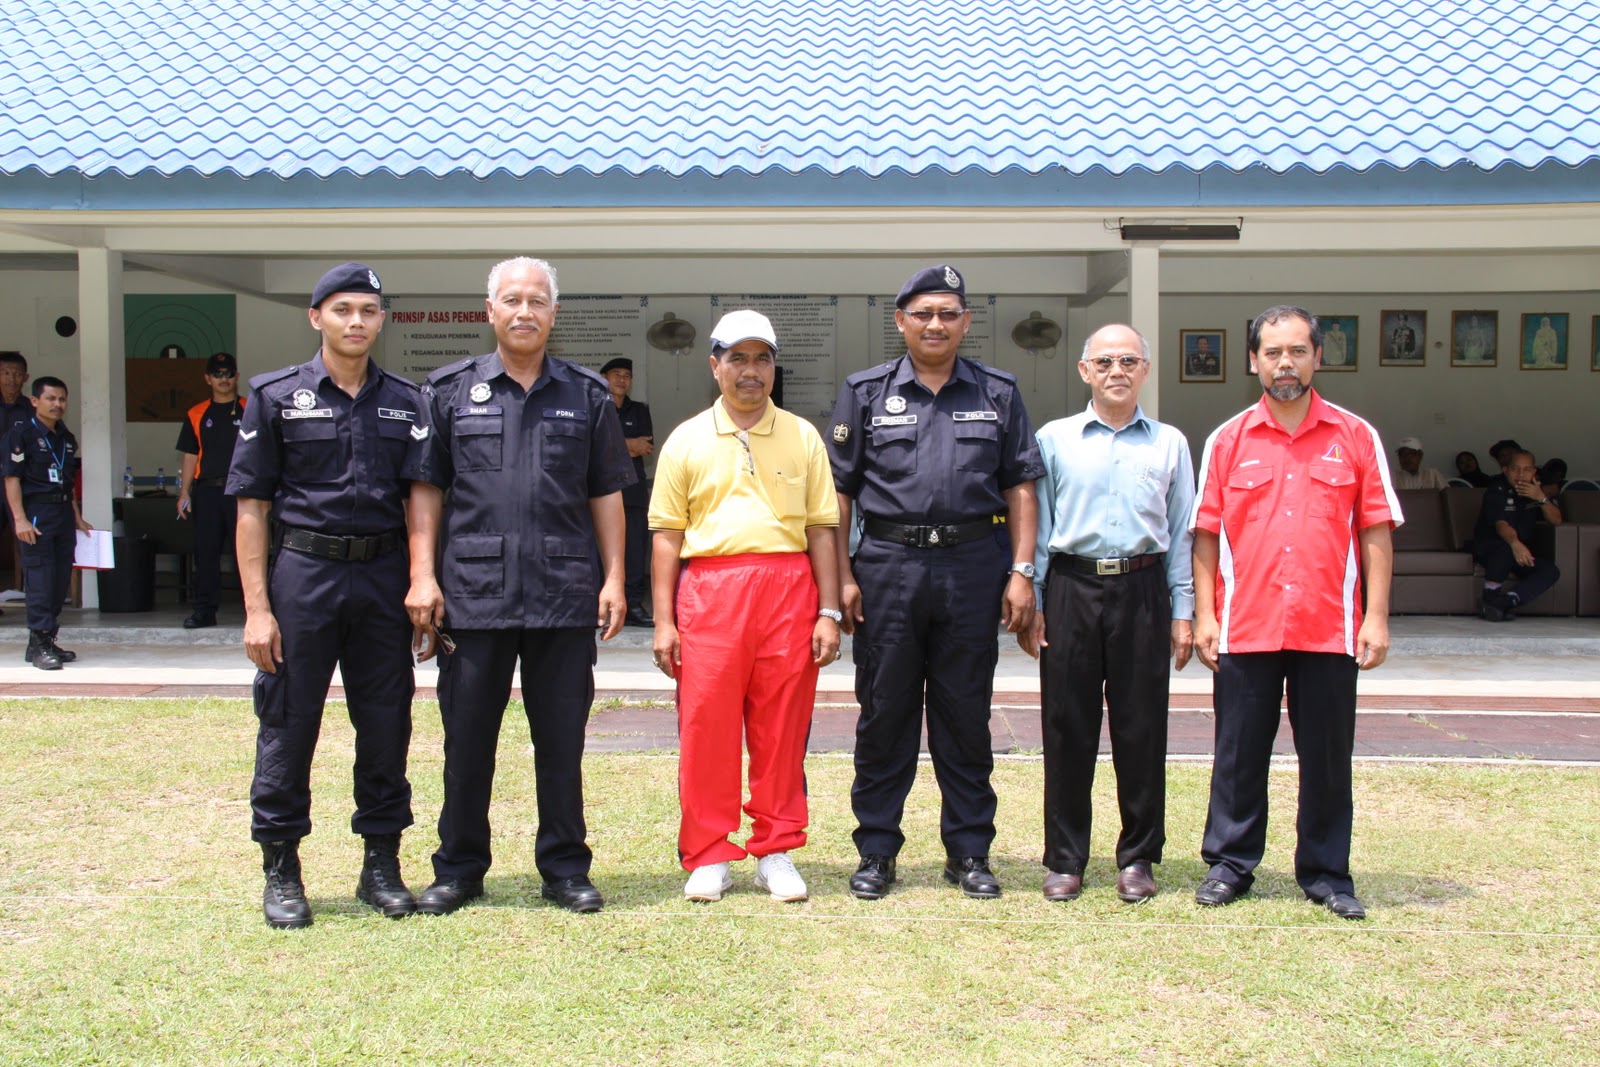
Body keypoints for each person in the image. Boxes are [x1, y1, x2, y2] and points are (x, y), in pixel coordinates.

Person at [404, 256, 632, 916]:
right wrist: (422, 574)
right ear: (490, 310)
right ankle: (459, 866)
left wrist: (614, 575)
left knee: (561, 739)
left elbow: (607, 492)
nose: (524, 310)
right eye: (512, 299)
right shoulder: (449, 390)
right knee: (467, 737)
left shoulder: (586, 394)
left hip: (563, 592)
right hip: (473, 593)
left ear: (554, 313)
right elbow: (425, 489)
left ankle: (564, 866)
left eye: (537, 300)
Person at [827, 264, 1043, 900]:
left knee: (964, 712)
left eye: (949, 313)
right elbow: (838, 495)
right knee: (885, 710)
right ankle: (875, 850)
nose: (936, 324)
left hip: (973, 566)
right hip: (887, 568)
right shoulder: (865, 392)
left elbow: (1020, 487)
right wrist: (840, 576)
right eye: (923, 313)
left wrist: (1022, 571)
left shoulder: (998, 392)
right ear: (900, 321)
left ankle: (970, 851)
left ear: (966, 322)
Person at [227, 262, 424, 929]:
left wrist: (422, 579)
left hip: (381, 574)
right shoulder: (275, 396)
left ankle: (380, 863)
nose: (356, 322)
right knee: (288, 720)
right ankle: (282, 866)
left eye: (368, 310)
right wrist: (257, 608)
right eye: (343, 310)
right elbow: (251, 507)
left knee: (386, 720)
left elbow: (420, 496)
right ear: (316, 317)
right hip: (302, 576)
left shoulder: (406, 399)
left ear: (381, 319)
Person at [1191, 304, 1400, 921]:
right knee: (1238, 753)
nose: (1286, 363)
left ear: (1317, 357)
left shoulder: (1355, 436)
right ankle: (1230, 865)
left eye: (1298, 351)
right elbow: (1205, 534)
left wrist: (1377, 616)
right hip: (1247, 624)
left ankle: (1327, 872)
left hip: (1328, 626)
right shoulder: (1228, 440)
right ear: (1253, 361)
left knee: (1328, 755)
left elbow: (1377, 530)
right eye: (1273, 352)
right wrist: (1206, 614)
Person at [648, 310, 841, 902]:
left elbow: (822, 528)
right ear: (715, 365)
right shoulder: (686, 438)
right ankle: (709, 852)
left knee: (781, 725)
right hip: (711, 589)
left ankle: (776, 848)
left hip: (787, 586)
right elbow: (665, 535)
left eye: (761, 359)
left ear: (774, 368)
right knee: (706, 723)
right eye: (737, 358)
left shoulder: (803, 435)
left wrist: (828, 610)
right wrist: (662, 619)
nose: (750, 371)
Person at [1028, 325, 1195, 904]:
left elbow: (1180, 534)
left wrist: (1184, 608)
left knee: (1141, 726)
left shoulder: (1169, 443)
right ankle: (1066, 858)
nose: (1116, 370)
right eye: (1104, 361)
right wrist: (1036, 599)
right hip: (1072, 586)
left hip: (1143, 588)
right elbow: (1042, 523)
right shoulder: (1054, 439)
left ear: (1146, 369)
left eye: (1128, 360)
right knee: (1067, 725)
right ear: (1084, 371)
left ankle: (1138, 857)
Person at [5, 376, 93, 670]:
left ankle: (45, 640)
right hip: (36, 513)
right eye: (51, 398)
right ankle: (40, 642)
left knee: (58, 580)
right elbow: (11, 479)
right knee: (40, 579)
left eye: (62, 399)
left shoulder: (65, 438)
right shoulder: (22, 434)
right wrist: (19, 519)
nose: (57, 404)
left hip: (63, 515)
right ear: (35, 401)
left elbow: (67, 483)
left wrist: (77, 517)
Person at [175, 352, 247, 629]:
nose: (224, 379)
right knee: (205, 553)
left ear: (236, 376)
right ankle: (204, 611)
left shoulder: (249, 409)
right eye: (217, 374)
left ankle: (256, 611)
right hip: (207, 491)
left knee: (247, 552)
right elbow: (190, 455)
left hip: (241, 491)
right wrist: (184, 493)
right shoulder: (196, 413)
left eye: (228, 373)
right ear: (208, 378)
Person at [1472, 450, 1561, 622]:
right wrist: (1515, 544)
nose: (1521, 475)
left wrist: (1541, 498)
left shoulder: (1535, 492)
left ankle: (1503, 602)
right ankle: (1490, 594)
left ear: (1534, 472)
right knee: (1505, 547)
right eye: (1515, 469)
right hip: (1491, 548)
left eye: (1527, 470)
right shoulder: (1496, 490)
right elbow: (1501, 525)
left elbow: (1556, 520)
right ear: (1505, 470)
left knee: (1550, 571)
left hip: (1518, 553)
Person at [600, 356, 655, 626]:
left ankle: (633, 606)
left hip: (632, 490)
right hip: (601, 491)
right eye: (616, 374)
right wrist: (628, 444)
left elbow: (644, 447)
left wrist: (619, 444)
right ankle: (600, 607)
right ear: (604, 377)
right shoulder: (596, 405)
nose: (622, 379)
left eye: (627, 375)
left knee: (635, 550)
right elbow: (594, 445)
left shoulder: (639, 410)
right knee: (600, 550)